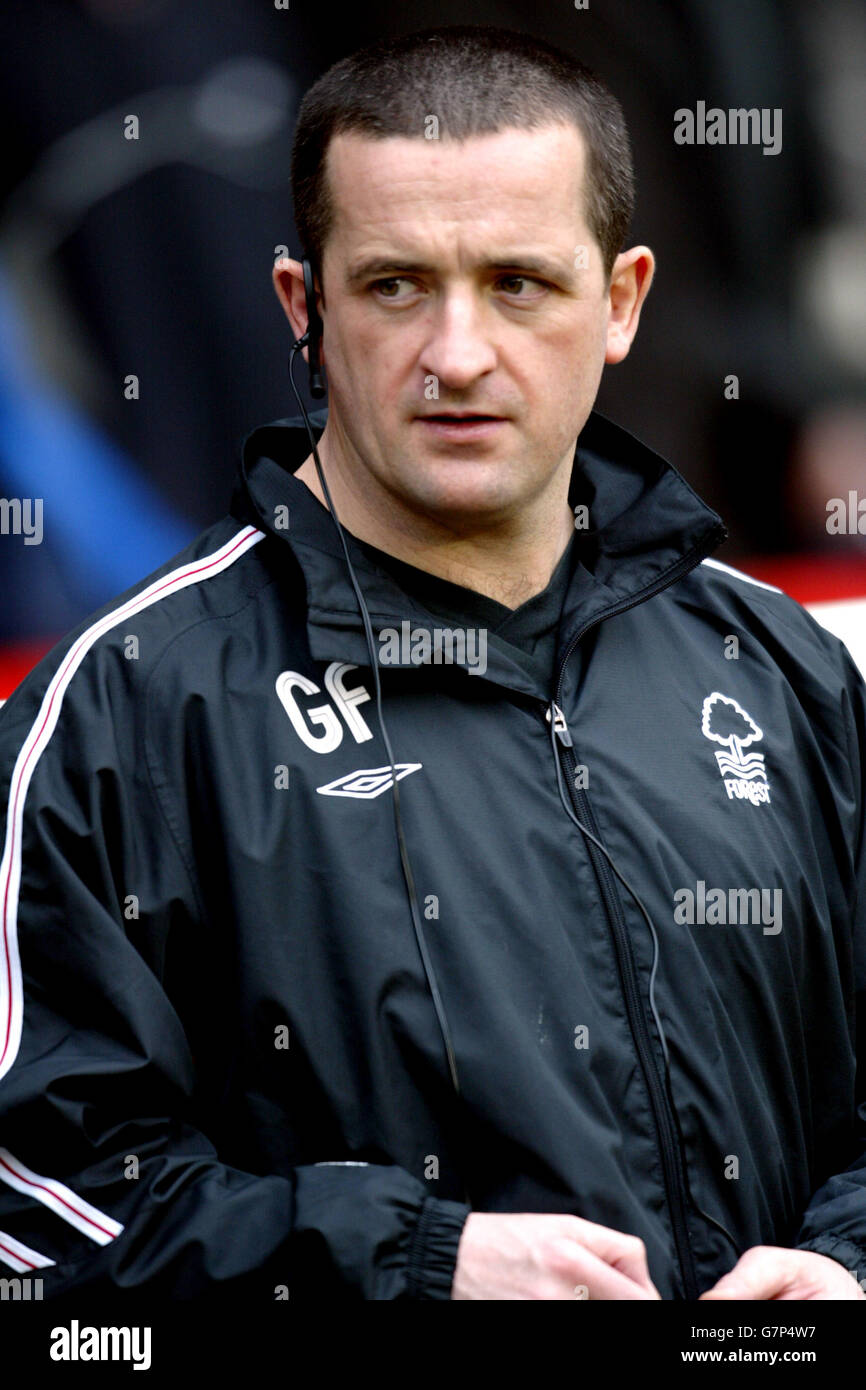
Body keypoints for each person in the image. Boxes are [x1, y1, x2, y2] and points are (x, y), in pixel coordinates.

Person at [0, 24, 864, 1304]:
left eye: (518, 282)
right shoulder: (127, 710)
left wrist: (846, 1265)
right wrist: (412, 1269)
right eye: (398, 284)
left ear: (621, 301)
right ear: (304, 304)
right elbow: (35, 1218)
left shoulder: (778, 666)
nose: (457, 354)